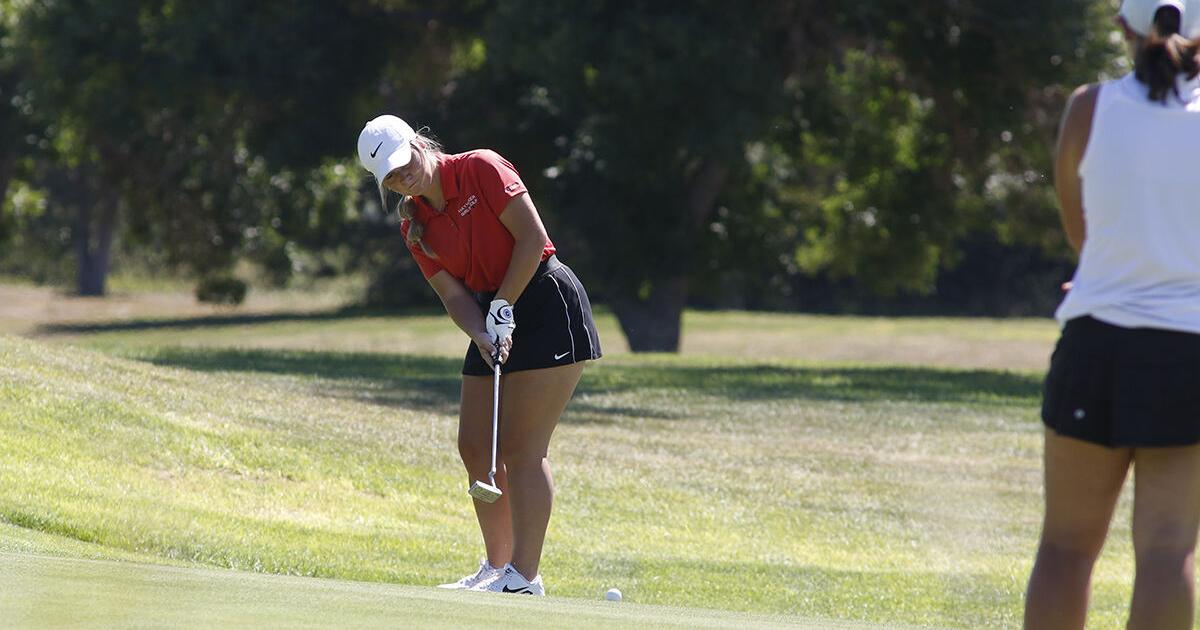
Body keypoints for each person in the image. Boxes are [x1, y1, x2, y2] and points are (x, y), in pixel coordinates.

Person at [357, 115, 602, 596]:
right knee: (475, 446)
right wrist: (482, 332)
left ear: (419, 143)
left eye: (405, 163)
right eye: (391, 176)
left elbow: (532, 240)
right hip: (491, 314)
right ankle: (497, 566)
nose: (404, 177)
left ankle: (524, 578)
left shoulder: (481, 168)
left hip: (545, 300)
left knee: (521, 448)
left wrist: (504, 304)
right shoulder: (415, 226)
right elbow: (453, 295)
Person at [1024, 1, 1200, 628]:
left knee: (1065, 547)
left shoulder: (1087, 108)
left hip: (1095, 340)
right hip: (1188, 350)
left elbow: (1082, 233)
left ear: (1123, 28)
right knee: (1167, 550)